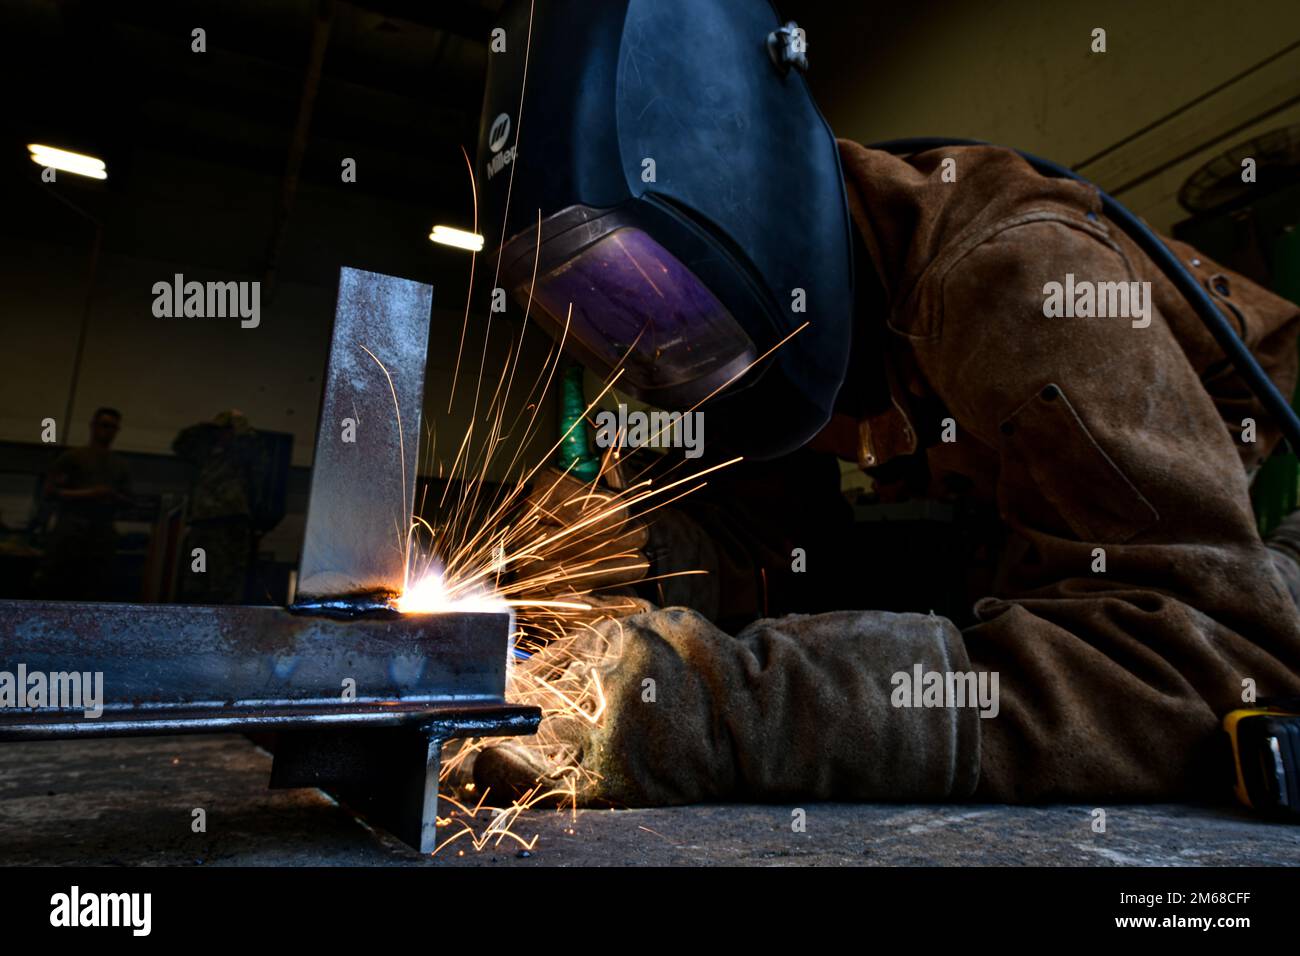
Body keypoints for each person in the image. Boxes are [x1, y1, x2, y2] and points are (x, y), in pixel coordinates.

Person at [471, 0, 1300, 806]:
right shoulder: (754, 326)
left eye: (646, 286)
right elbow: (776, 549)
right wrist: (637, 551)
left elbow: (1195, 660)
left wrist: (712, 716)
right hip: (1038, 537)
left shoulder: (1018, 277)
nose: (655, 339)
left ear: (740, 204)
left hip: (1262, 517)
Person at [36, 406, 132, 601]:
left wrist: (112, 495)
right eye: (104, 425)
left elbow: (129, 499)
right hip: (71, 532)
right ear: (93, 426)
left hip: (102, 535)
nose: (108, 431)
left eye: (113, 427)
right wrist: (90, 493)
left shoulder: (120, 464)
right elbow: (49, 492)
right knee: (58, 588)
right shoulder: (73, 458)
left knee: (94, 591)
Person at [173, 410, 261, 604]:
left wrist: (239, 427)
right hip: (202, 525)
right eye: (219, 430)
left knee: (224, 582)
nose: (222, 434)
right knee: (197, 575)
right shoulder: (205, 454)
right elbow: (180, 445)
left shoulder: (241, 455)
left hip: (229, 524)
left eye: (226, 430)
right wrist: (204, 427)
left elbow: (253, 447)